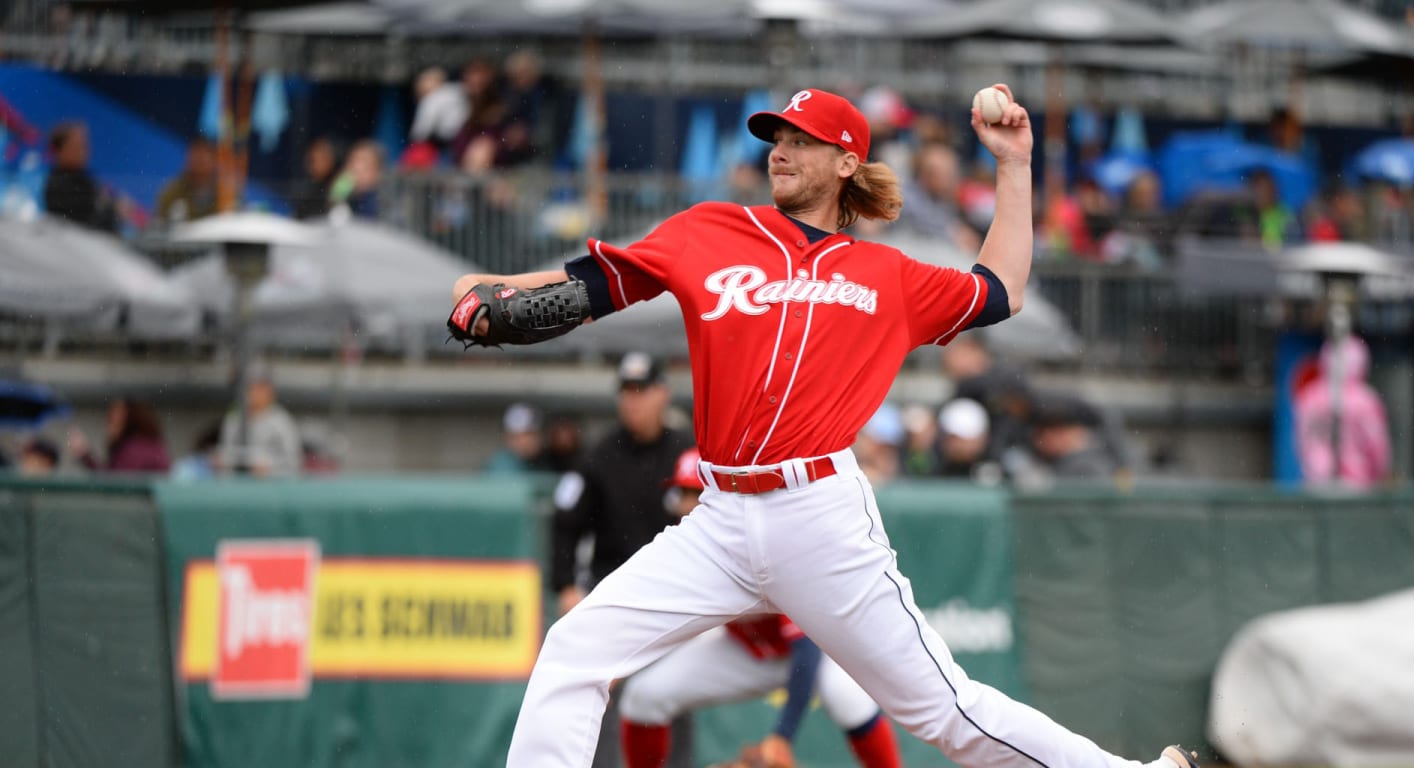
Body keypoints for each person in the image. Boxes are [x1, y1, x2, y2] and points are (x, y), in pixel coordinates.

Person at [448, 84, 1198, 768]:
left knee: (942, 710)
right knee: (576, 648)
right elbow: (585, 287)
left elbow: (1001, 287)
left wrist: (1013, 165)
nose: (780, 150)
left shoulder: (888, 276)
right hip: (718, 518)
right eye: (776, 138)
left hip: (819, 516)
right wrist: (491, 292)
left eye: (801, 140)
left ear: (847, 161)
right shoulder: (708, 232)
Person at [619, 448, 902, 768]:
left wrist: (782, 735)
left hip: (820, 650)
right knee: (644, 697)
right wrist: (617, 659)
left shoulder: (770, 540)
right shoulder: (683, 547)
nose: (685, 504)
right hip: (746, 649)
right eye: (681, 493)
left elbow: (806, 649)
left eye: (694, 492)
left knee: (849, 700)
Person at [548, 351, 694, 767]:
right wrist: (566, 584)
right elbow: (565, 519)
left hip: (675, 598)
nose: (633, 401)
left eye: (642, 391)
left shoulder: (686, 450)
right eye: (627, 392)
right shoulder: (600, 454)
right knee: (605, 699)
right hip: (613, 592)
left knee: (670, 697)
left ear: (662, 394)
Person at [1294, 335, 1392, 489]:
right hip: (1358, 487)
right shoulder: (1366, 400)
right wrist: (1378, 476)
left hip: (1316, 486)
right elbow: (1377, 448)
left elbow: (1302, 444)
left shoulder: (1309, 398)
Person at [218, 373, 302, 477]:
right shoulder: (233, 419)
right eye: (249, 389)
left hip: (272, 487)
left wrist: (271, 469)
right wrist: (223, 462)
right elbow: (227, 454)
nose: (252, 394)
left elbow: (294, 463)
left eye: (258, 389)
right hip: (237, 484)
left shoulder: (281, 422)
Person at [43, 121, 117, 232]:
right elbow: (84, 221)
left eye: (85, 145)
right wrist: (111, 208)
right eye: (77, 145)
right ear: (60, 150)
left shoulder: (88, 182)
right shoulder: (57, 184)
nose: (83, 150)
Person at [68, 398, 171, 473]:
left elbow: (115, 481)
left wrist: (85, 455)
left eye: (113, 420)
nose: (108, 427)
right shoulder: (146, 444)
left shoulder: (136, 447)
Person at [155, 138, 218, 225]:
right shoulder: (172, 193)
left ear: (213, 160)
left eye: (203, 160)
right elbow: (159, 225)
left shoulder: (224, 193)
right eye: (196, 158)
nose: (199, 166)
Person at [410, 66, 469, 152]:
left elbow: (422, 129)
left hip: (446, 141)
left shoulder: (433, 97)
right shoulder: (459, 90)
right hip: (465, 137)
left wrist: (415, 140)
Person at [484, 403, 546, 475]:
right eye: (527, 434)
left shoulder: (543, 462)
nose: (532, 440)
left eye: (535, 433)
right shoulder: (501, 466)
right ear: (509, 437)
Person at [290, 137, 338, 219]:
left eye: (322, 157)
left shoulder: (335, 187)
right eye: (312, 158)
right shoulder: (303, 186)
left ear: (331, 160)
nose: (314, 161)